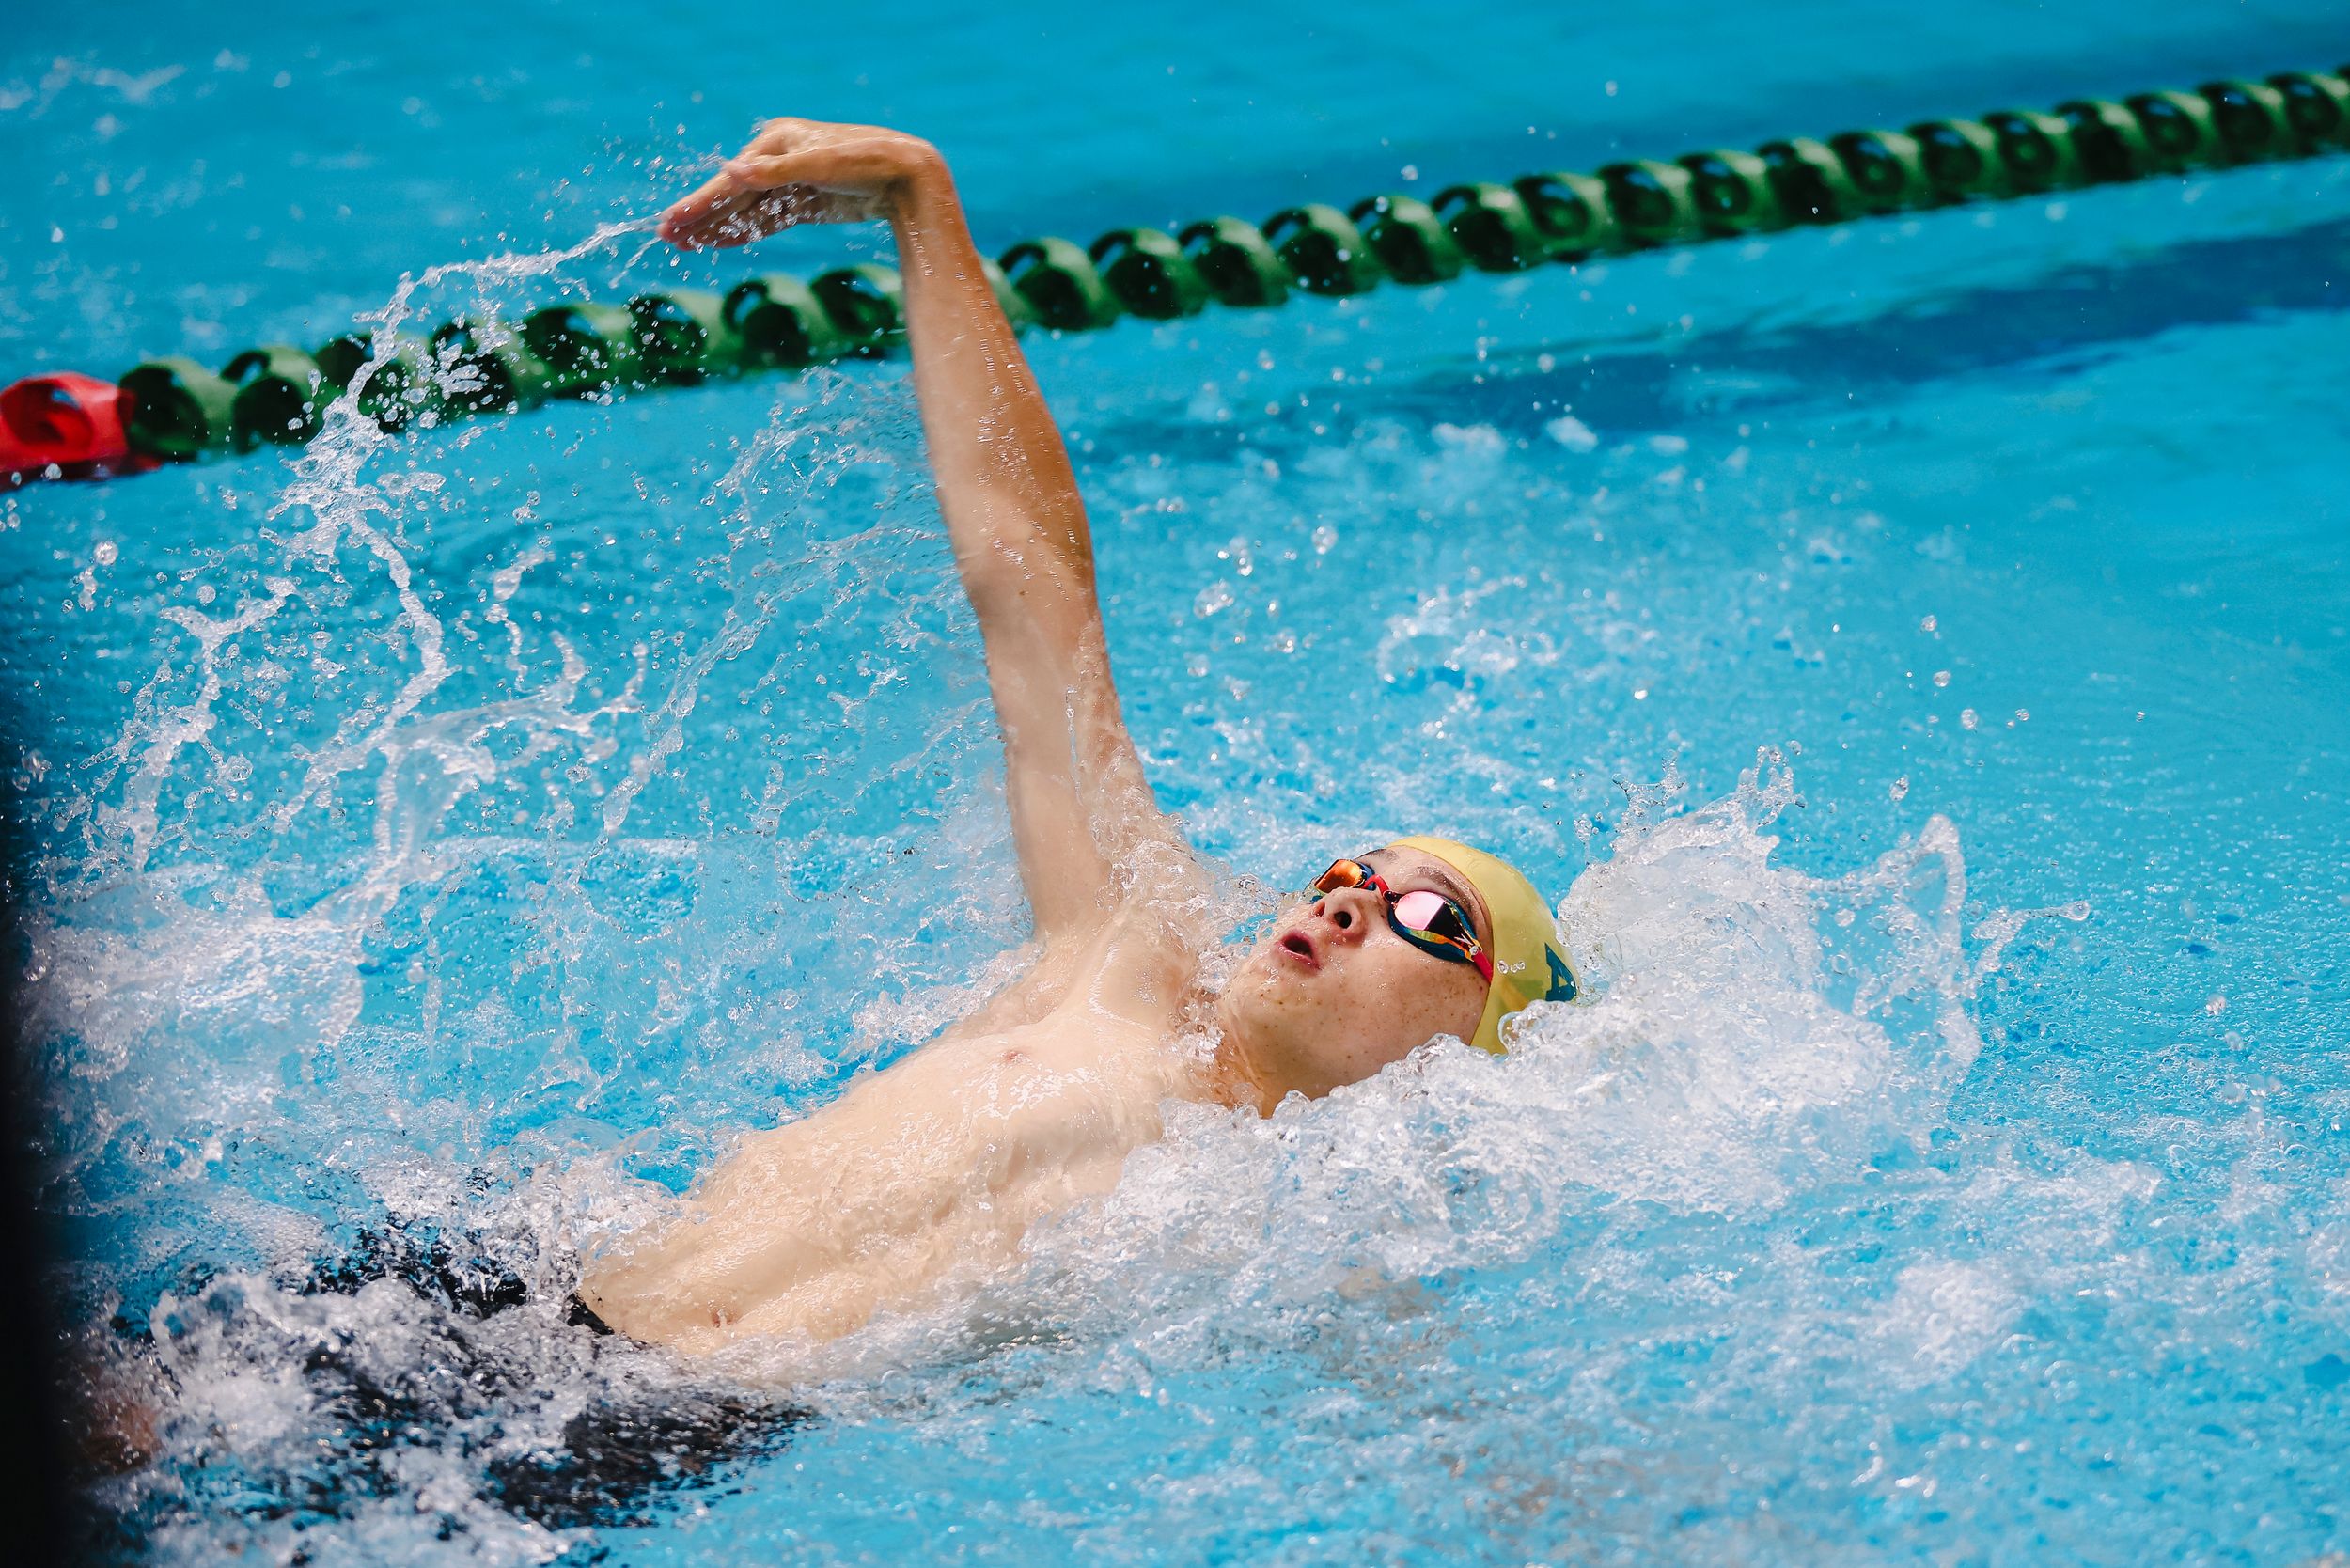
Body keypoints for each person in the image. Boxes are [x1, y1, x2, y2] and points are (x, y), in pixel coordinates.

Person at [576, 118, 1580, 1355]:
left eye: (1433, 921)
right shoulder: (1118, 962)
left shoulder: (1297, 1238)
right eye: (1350, 876)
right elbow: (1030, 573)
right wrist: (917, 197)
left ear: (1473, 1050)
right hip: (513, 1319)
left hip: (647, 1442)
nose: (1346, 906)